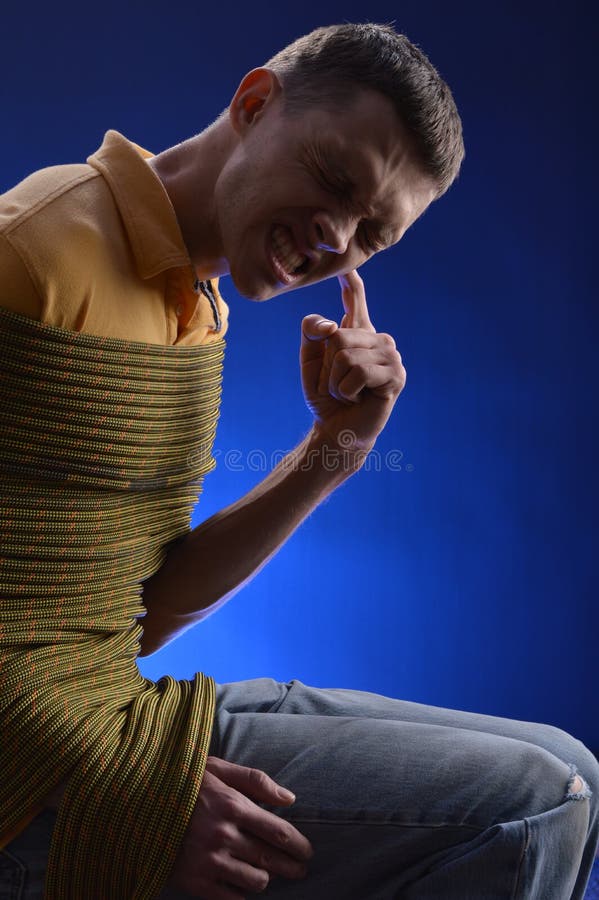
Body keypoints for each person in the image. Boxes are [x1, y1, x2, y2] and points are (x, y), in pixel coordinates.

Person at [0, 21, 597, 900]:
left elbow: (140, 610)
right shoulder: (33, 254)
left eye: (370, 236)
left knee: (570, 763)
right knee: (533, 803)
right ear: (252, 105)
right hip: (38, 760)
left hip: (91, 701)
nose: (334, 240)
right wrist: (111, 781)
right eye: (332, 181)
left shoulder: (193, 301)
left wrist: (334, 450)